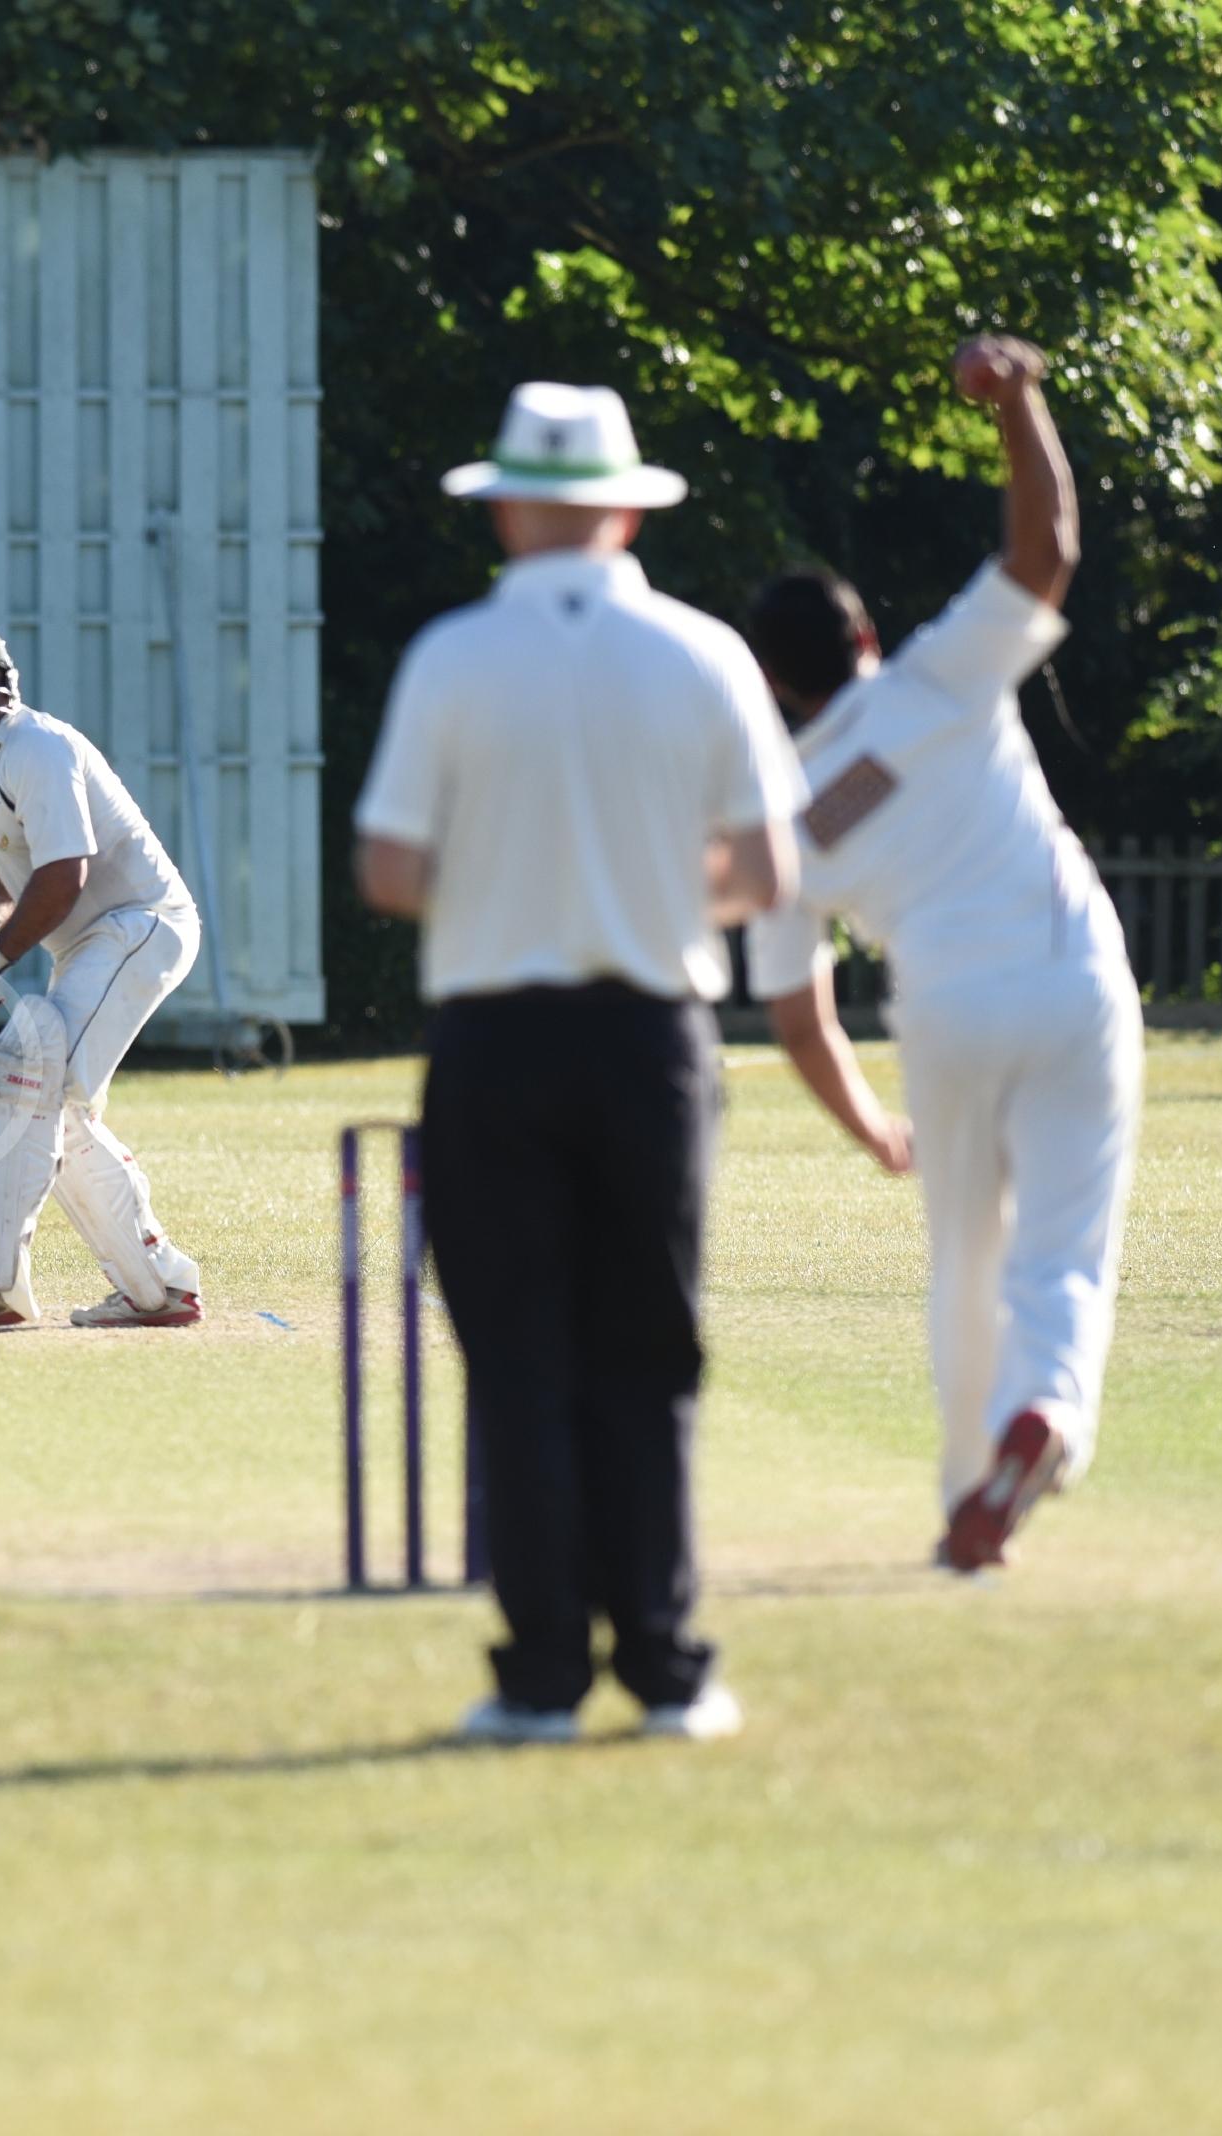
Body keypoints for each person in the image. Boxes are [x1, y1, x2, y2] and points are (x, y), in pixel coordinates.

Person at [353, 382, 801, 1744]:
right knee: (648, 1349)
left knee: (518, 1353)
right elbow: (770, 869)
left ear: (503, 509)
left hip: (494, 1033)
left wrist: (512, 891)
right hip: (649, 1028)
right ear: (623, 507)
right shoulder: (704, 653)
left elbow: (389, 868)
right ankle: (665, 1666)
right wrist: (646, 893)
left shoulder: (452, 657)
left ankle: (542, 1672)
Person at [743, 335, 1141, 1576]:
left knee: (964, 1254)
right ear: (862, 636)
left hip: (945, 1010)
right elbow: (1046, 553)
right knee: (1060, 1247)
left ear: (773, 683)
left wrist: (867, 1127)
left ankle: (973, 1486)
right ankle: (1049, 1415)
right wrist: (1018, 400)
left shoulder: (789, 815)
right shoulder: (935, 678)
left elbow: (799, 1017)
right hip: (1069, 970)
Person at [0, 621, 207, 1332]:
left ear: (11, 683)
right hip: (84, 944)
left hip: (139, 923)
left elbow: (67, 873)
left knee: (23, 1072)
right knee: (54, 1104)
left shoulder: (41, 746)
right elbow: (10, 879)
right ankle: (155, 1287)